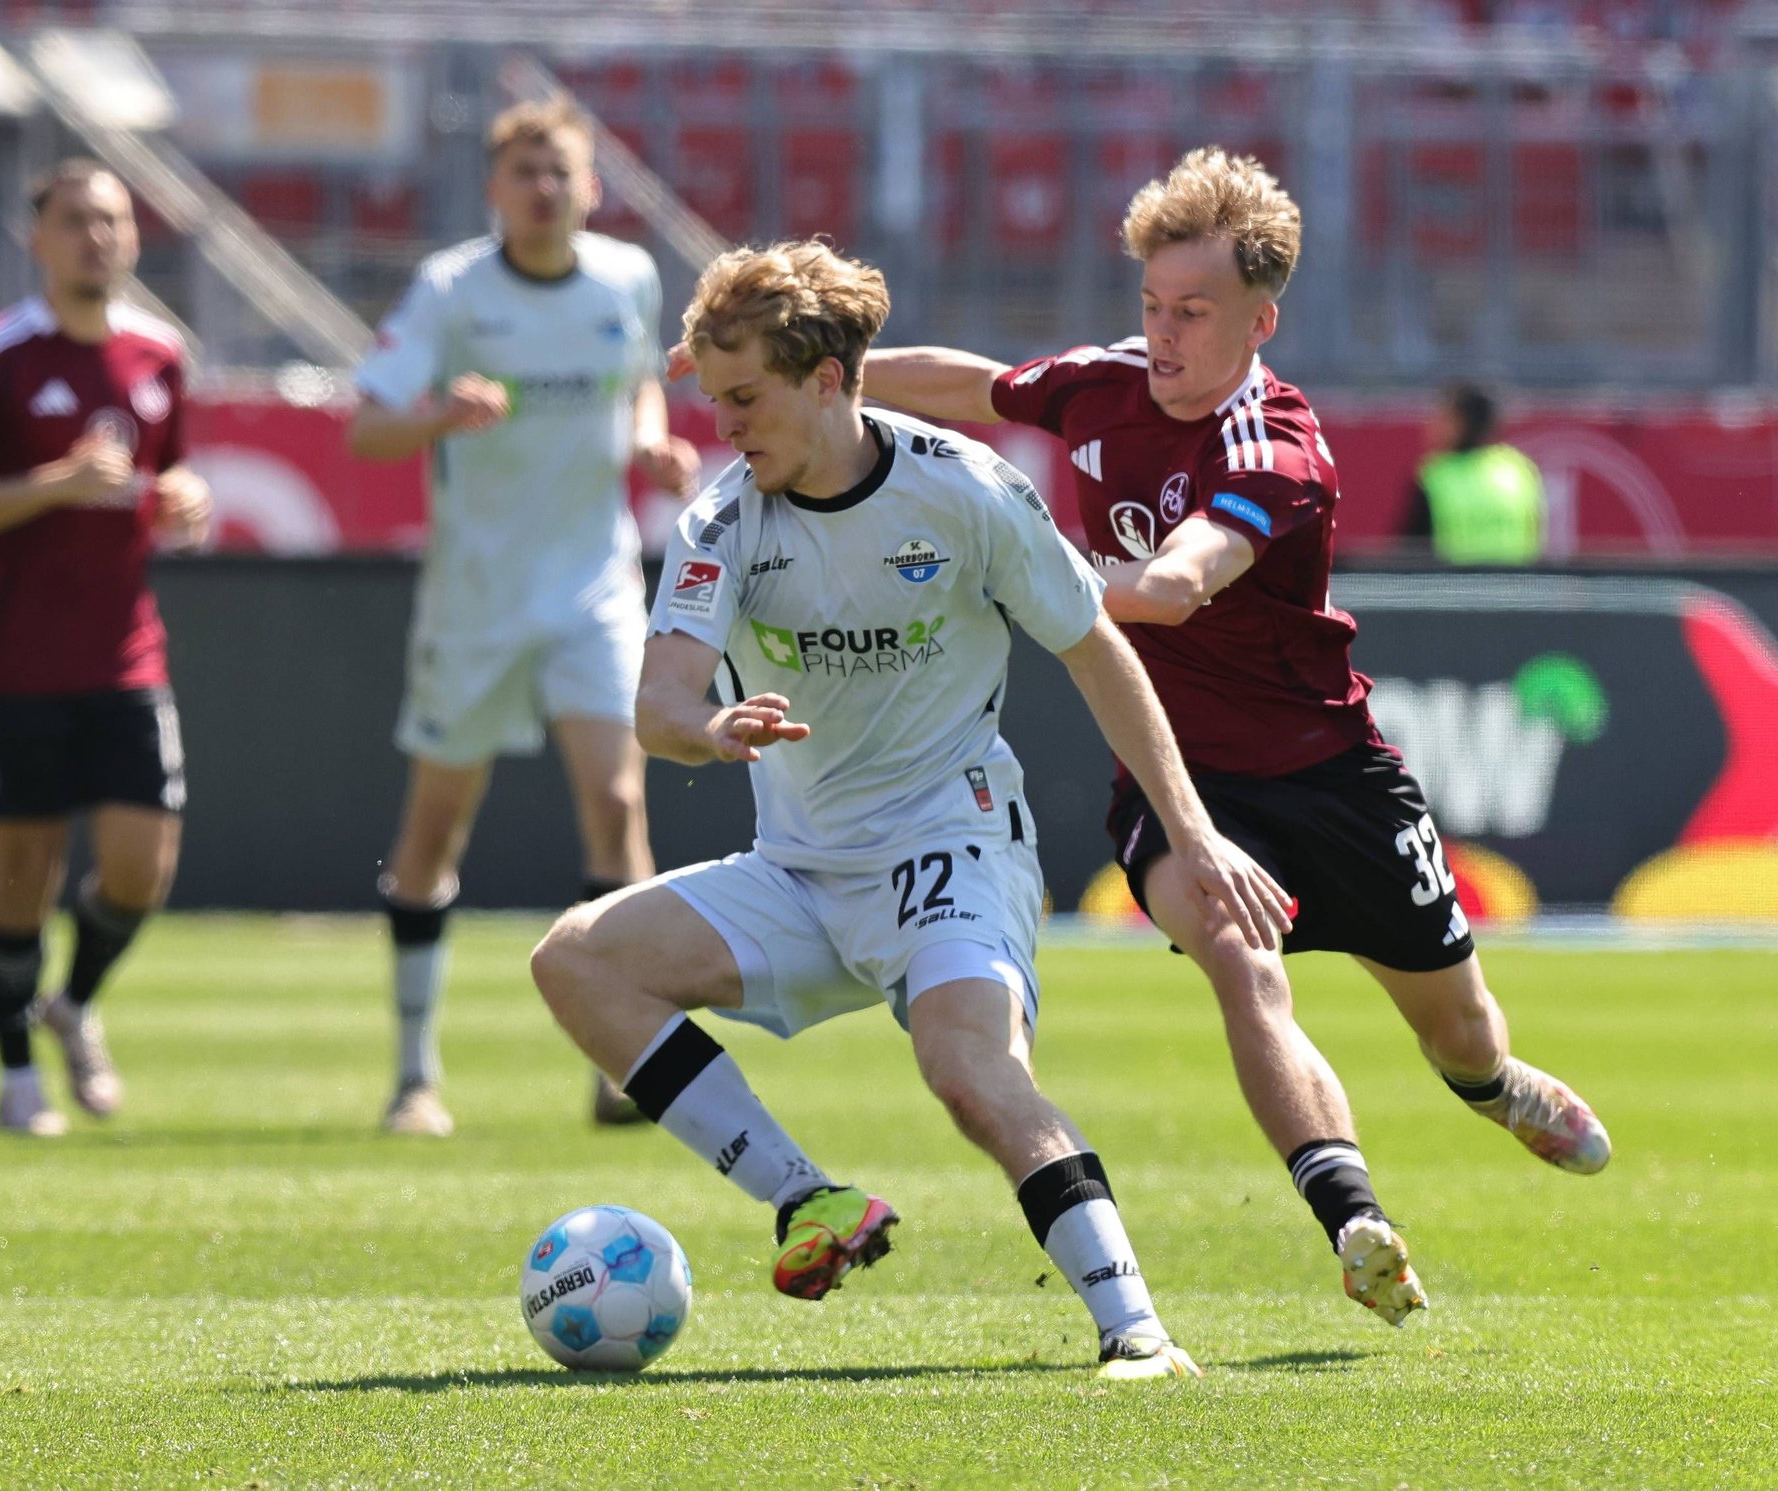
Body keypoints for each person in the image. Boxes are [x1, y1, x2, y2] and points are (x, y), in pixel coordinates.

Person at [859, 147, 1610, 1329]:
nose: (1159, 334)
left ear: (1258, 320)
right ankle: (1353, 1217)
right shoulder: (1101, 382)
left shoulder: (1278, 446)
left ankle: (1494, 1088)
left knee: (1459, 1035)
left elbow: (1166, 588)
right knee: (1238, 959)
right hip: (1181, 783)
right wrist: (820, 378)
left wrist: (1008, 574)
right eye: (1150, 306)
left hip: (1333, 777)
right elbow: (972, 385)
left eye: (1191, 313)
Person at [531, 240, 1293, 1378]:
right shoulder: (723, 521)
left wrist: (1192, 831)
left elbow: (1098, 654)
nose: (725, 424)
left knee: (968, 1072)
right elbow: (658, 706)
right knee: (574, 961)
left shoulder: (967, 490)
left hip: (952, 844)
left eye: (746, 399)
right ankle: (805, 1198)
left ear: (828, 380)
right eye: (715, 397)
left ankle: (1132, 1329)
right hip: (797, 867)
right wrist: (707, 731)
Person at [349, 99, 700, 1136]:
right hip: (478, 598)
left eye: (561, 172)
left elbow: (638, 384)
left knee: (619, 805)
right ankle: (414, 1074)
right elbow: (366, 429)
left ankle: (622, 1063)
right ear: (496, 190)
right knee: (434, 823)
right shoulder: (452, 291)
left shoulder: (624, 279)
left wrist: (648, 442)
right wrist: (434, 415)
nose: (544, 189)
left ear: (590, 187)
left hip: (593, 589)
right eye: (525, 173)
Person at [0, 159, 211, 1137]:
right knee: (21, 874)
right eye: (77, 220)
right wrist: (55, 481)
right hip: (13, 663)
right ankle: (14, 1078)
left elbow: (170, 484)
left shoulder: (161, 354)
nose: (99, 237)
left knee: (140, 870)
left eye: (115, 220)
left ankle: (73, 1002)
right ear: (36, 238)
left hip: (125, 654)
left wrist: (185, 505)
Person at [1403, 383, 1548, 565]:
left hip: (1454, 590)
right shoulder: (1521, 471)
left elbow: (1409, 557)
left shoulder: (1436, 476)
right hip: (1517, 589)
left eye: (1444, 418)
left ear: (1460, 423)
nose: (1433, 426)